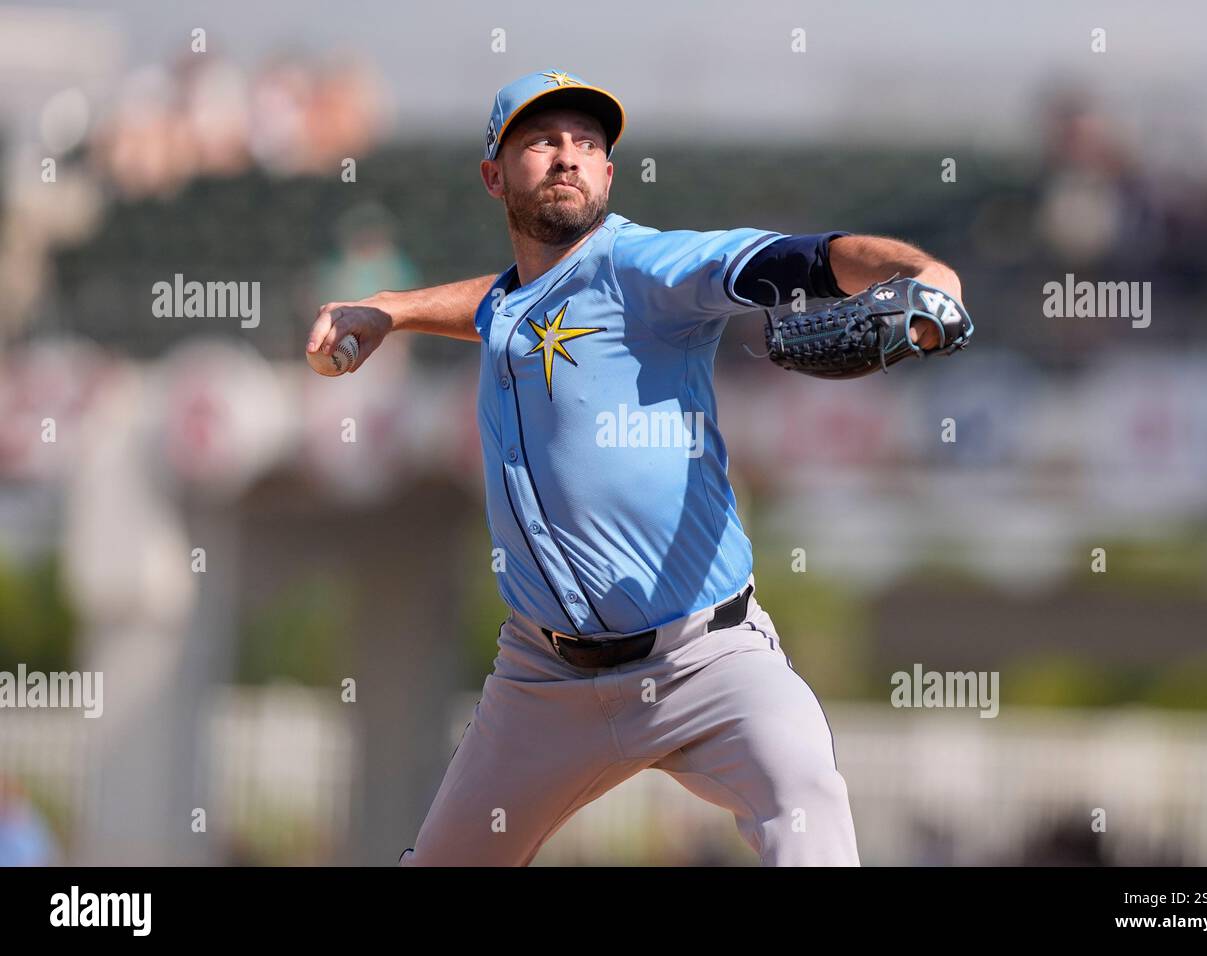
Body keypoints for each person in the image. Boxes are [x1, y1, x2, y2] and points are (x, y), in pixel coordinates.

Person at [307, 69, 963, 866]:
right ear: (493, 176)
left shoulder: (651, 269)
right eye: (541, 140)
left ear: (609, 176)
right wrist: (393, 308)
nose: (567, 156)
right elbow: (503, 301)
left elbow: (805, 259)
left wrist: (924, 276)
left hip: (708, 660)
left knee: (806, 803)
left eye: (587, 143)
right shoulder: (519, 300)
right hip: (541, 681)